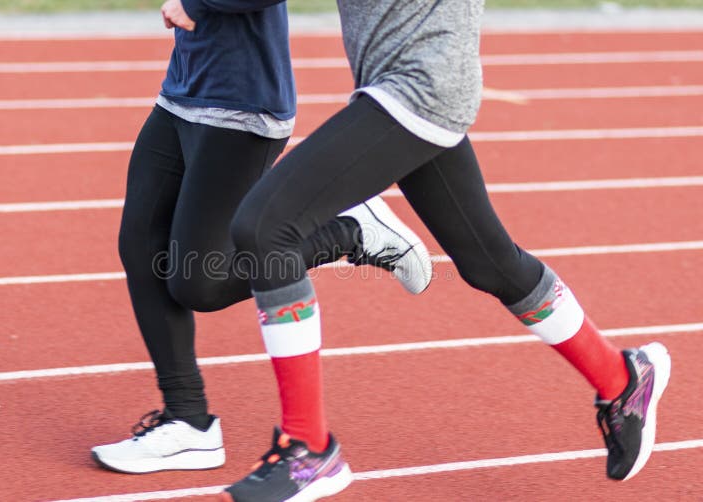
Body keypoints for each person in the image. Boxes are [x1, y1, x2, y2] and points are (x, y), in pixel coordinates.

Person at [164, 1, 673, 501]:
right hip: (404, 83)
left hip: (419, 86)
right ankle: (621, 379)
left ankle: (309, 449)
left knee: (266, 226)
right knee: (489, 263)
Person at [89, 0, 434, 474]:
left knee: (200, 284)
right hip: (184, 88)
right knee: (141, 247)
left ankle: (350, 233)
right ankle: (187, 421)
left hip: (242, 104)